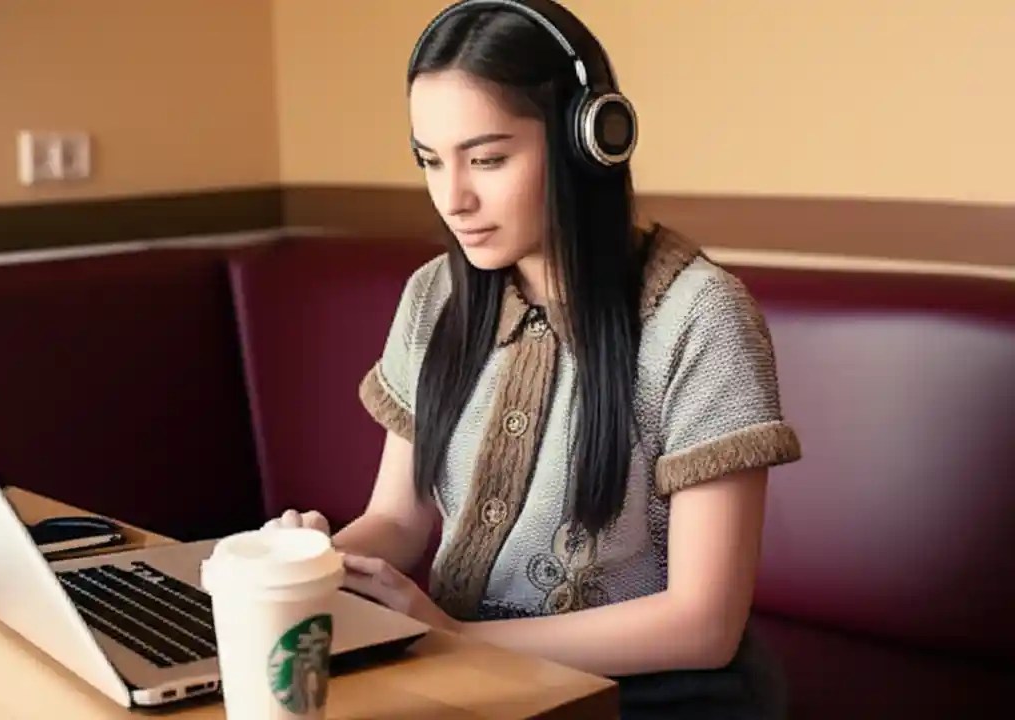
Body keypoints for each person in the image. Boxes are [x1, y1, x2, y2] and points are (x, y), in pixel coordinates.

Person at [267, 1, 802, 717]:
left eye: (487, 159)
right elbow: (398, 519)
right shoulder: (435, 295)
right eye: (430, 160)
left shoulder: (699, 316)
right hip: (469, 673)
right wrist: (309, 564)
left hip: (652, 696)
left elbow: (703, 625)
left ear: (590, 142)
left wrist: (454, 639)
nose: (453, 198)